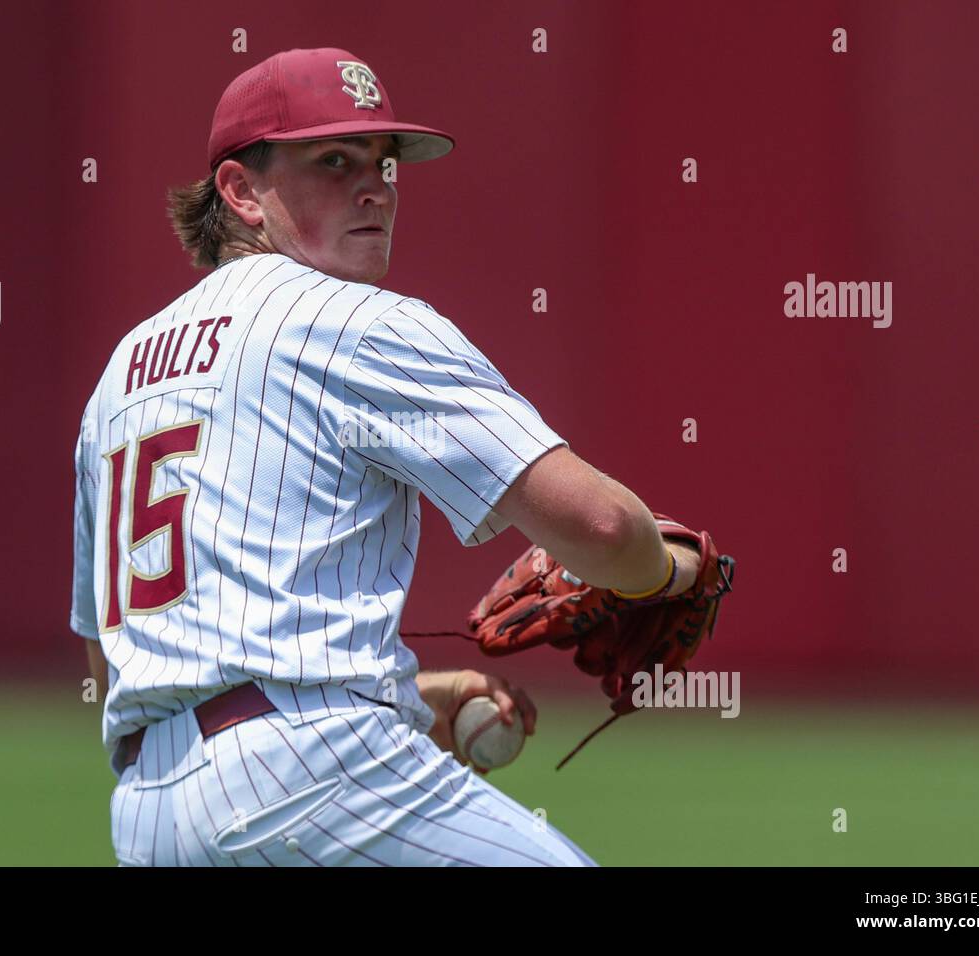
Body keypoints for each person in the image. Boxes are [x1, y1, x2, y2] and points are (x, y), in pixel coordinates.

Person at [69, 47, 702, 866]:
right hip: (316, 780)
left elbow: (108, 663)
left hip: (152, 820)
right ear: (239, 192)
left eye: (385, 162)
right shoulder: (352, 320)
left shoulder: (119, 376)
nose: (374, 187)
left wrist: (394, 702)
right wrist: (667, 571)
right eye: (333, 161)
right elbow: (606, 528)